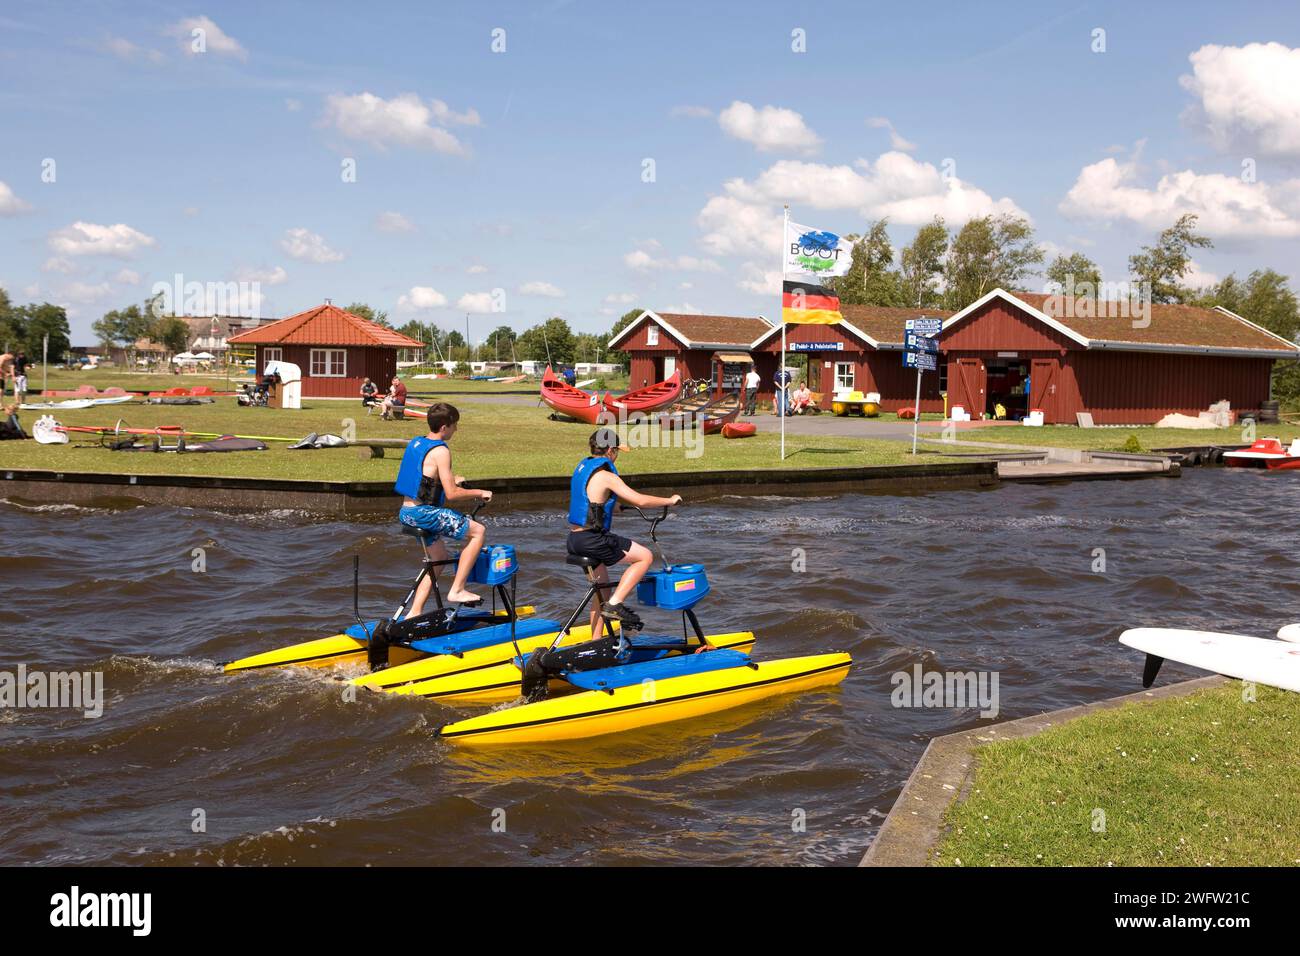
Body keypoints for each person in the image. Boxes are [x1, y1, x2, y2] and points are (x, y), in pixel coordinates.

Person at [566, 427, 681, 633]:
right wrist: (670, 501)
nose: (616, 456)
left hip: (575, 539)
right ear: (610, 450)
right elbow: (640, 499)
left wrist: (614, 507)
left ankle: (597, 640)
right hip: (593, 540)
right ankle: (615, 605)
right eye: (617, 451)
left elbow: (591, 501)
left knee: (602, 591)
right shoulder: (607, 475)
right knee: (644, 557)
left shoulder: (584, 467)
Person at [394, 402, 491, 613]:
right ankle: (457, 589)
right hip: (423, 514)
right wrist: (479, 492)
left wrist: (454, 478)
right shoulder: (441, 450)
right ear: (445, 427)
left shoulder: (418, 442)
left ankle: (414, 612)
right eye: (455, 425)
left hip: (407, 512)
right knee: (478, 532)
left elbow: (426, 476)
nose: (456, 429)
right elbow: (451, 494)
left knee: (439, 558)